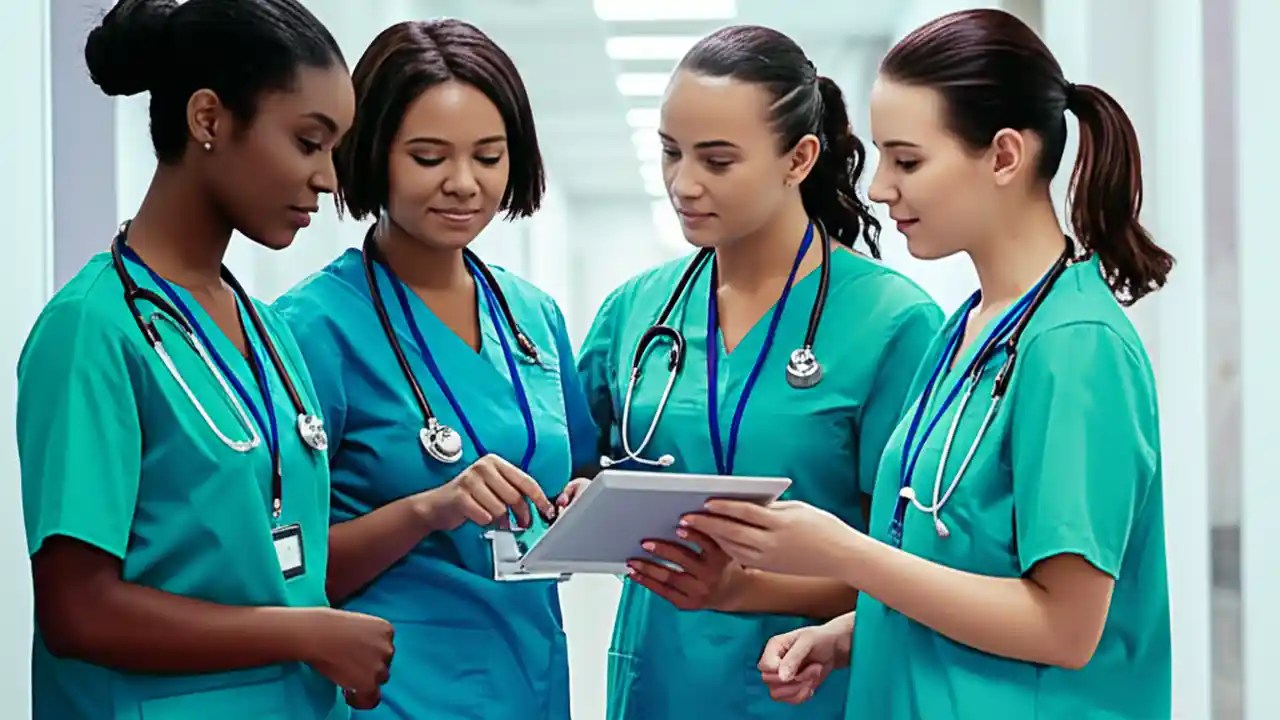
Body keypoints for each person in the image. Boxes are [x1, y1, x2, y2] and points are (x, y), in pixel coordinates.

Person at [685, 9, 1175, 719]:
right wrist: (849, 635)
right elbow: (959, 570)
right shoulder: (965, 331)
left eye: (907, 161)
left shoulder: (1076, 346)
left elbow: (1065, 628)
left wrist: (845, 554)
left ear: (1003, 157)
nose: (880, 188)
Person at [14, 1, 400, 718]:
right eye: (308, 142)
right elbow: (78, 611)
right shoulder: (91, 330)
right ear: (208, 119)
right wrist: (304, 634)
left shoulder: (266, 330)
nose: (327, 178)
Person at [568, 24, 944, 720]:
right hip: (660, 681)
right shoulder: (638, 310)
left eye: (717, 161)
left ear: (799, 158)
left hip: (809, 687)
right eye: (671, 152)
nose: (684, 184)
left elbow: (919, 568)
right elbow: (575, 464)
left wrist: (746, 587)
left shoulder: (893, 322)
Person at [271, 19, 596, 720]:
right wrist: (428, 510)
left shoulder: (532, 317)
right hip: (391, 692)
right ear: (373, 152)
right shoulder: (311, 327)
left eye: (489, 156)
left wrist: (581, 502)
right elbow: (281, 565)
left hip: (530, 678)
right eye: (428, 157)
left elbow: (577, 468)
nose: (464, 184)